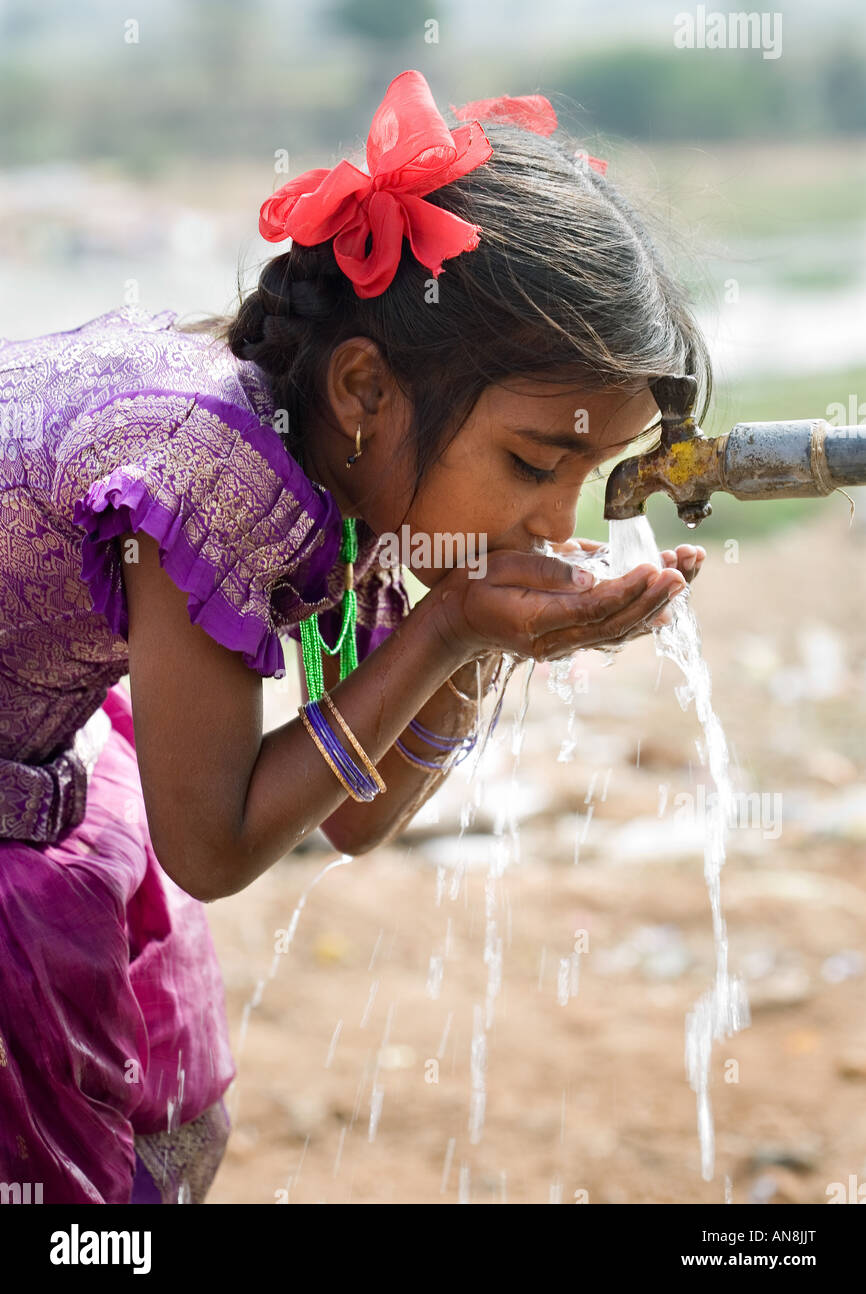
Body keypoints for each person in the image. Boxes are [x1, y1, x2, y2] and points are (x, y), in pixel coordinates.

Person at [0, 69, 706, 1204]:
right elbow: (215, 847)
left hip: (46, 749)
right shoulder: (205, 473)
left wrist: (469, 638)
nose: (552, 523)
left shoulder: (362, 465)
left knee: (155, 1122)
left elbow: (361, 813)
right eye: (533, 465)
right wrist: (446, 632)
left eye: (583, 475)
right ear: (365, 382)